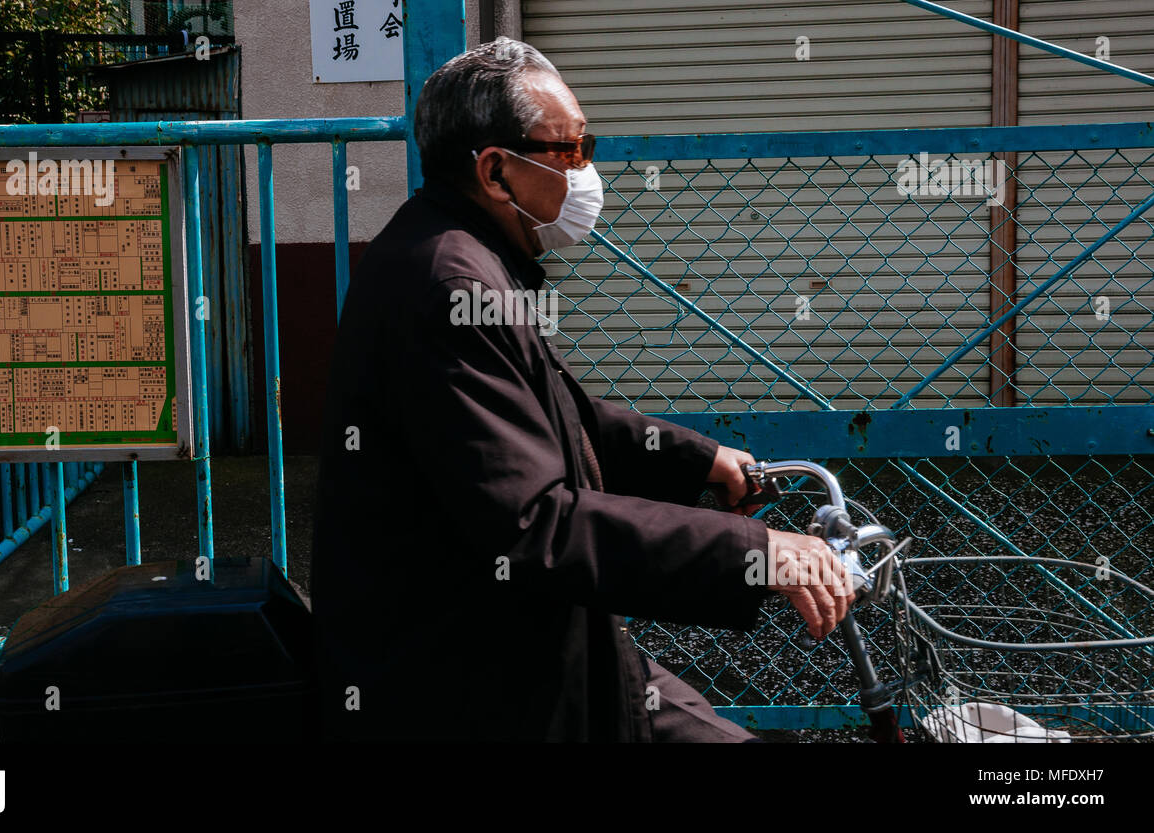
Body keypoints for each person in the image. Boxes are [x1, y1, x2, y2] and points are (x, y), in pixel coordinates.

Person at [313, 37, 853, 742]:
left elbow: (554, 417)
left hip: (526, 650)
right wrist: (758, 552)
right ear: (496, 170)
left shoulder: (461, 255)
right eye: (567, 150)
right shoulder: (451, 284)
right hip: (468, 685)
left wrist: (700, 461)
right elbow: (534, 523)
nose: (587, 170)